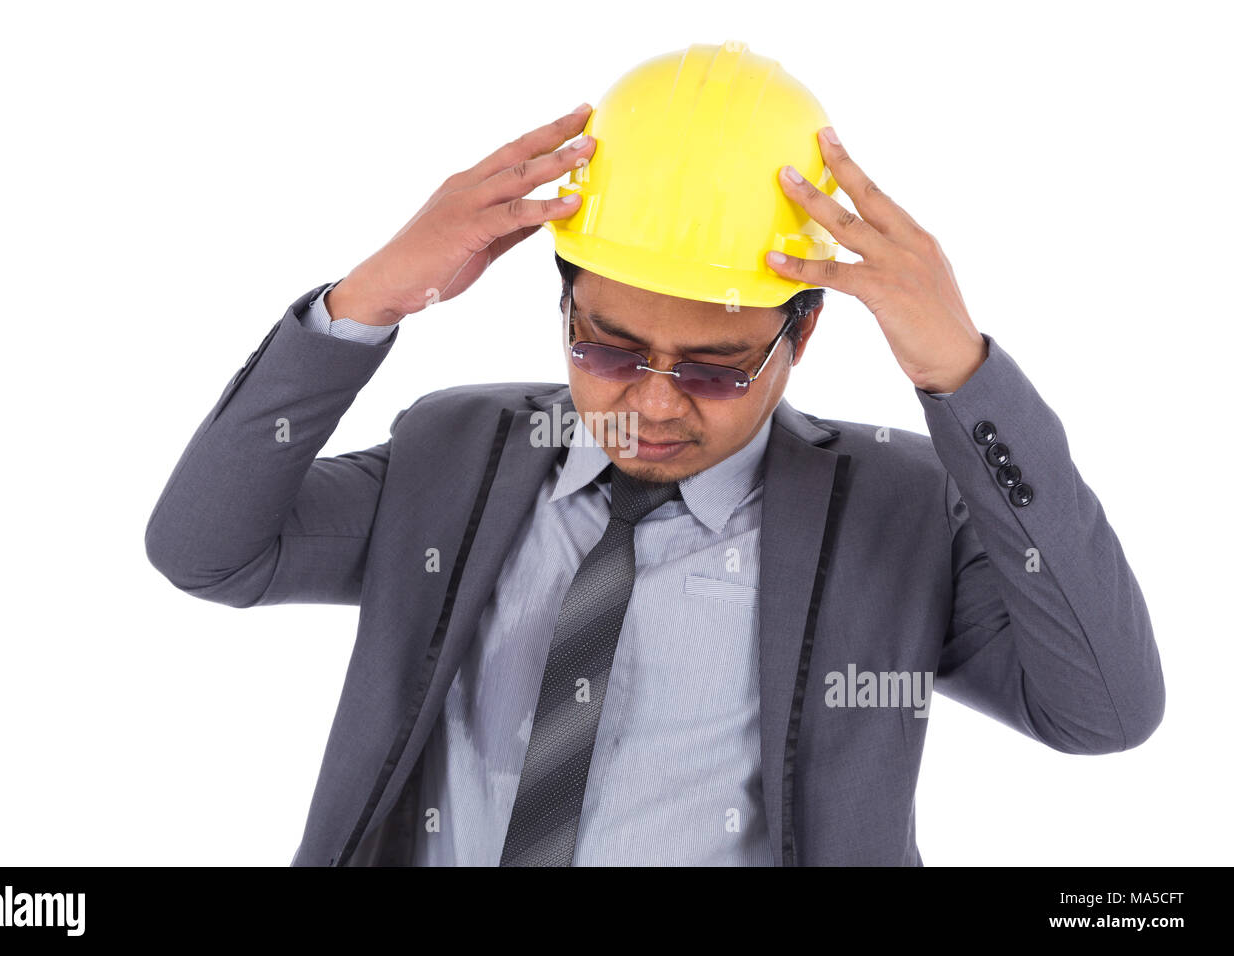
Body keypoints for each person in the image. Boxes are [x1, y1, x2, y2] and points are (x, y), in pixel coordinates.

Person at [145, 43, 1164, 866]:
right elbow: (206, 547)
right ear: (562, 305)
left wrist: (963, 379)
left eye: (716, 365)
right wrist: (362, 304)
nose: (654, 399)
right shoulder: (455, 450)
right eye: (608, 347)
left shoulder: (896, 512)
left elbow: (1105, 708)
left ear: (798, 337)